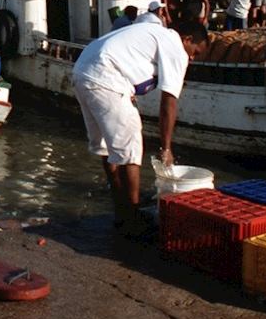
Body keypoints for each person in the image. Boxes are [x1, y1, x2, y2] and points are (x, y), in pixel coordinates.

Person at [72, 21, 209, 234]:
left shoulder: (153, 31)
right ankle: (133, 218)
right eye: (195, 52)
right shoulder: (175, 47)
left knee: (108, 149)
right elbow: (169, 102)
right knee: (130, 149)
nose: (192, 58)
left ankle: (122, 212)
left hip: (82, 70)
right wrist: (166, 148)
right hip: (105, 77)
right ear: (187, 39)